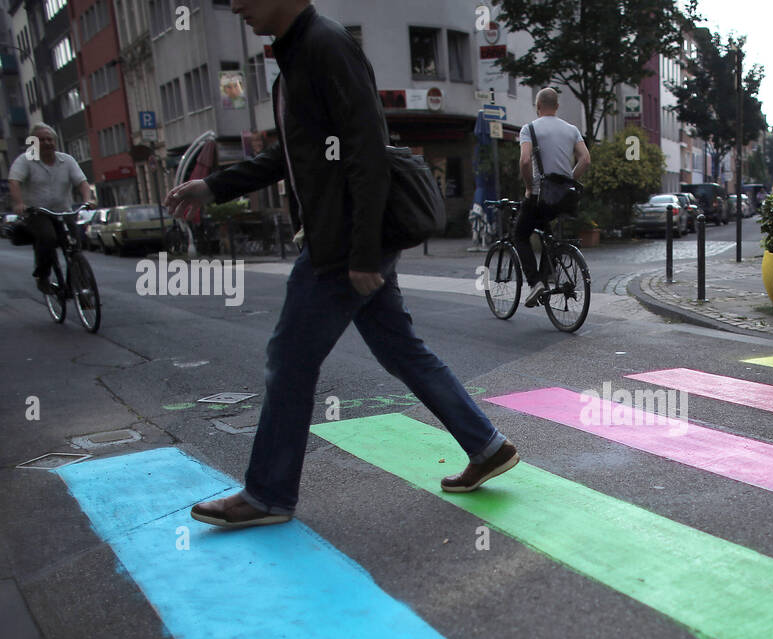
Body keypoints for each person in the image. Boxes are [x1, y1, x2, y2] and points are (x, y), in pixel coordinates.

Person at [167, 0, 517, 529]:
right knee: (400, 350)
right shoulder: (294, 60)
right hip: (344, 238)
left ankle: (268, 493)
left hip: (339, 244)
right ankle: (485, 445)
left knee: (288, 359)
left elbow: (367, 153)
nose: (236, 4)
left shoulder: (325, 47)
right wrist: (215, 185)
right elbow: (291, 157)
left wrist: (361, 253)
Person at [515, 88, 590, 307]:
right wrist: (569, 180)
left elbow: (525, 161)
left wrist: (529, 187)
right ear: (557, 107)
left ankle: (536, 283)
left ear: (538, 107)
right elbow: (585, 159)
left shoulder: (529, 129)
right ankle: (547, 274)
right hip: (563, 197)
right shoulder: (572, 129)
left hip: (539, 195)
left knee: (520, 235)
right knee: (547, 234)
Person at [8, 124, 94, 295]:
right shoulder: (25, 161)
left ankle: (78, 288)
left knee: (75, 246)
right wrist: (19, 203)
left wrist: (88, 199)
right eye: (41, 140)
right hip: (38, 212)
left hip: (63, 210)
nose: (47, 143)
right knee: (47, 238)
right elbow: (14, 181)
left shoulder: (67, 160)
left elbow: (82, 182)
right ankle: (43, 276)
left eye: (50, 139)